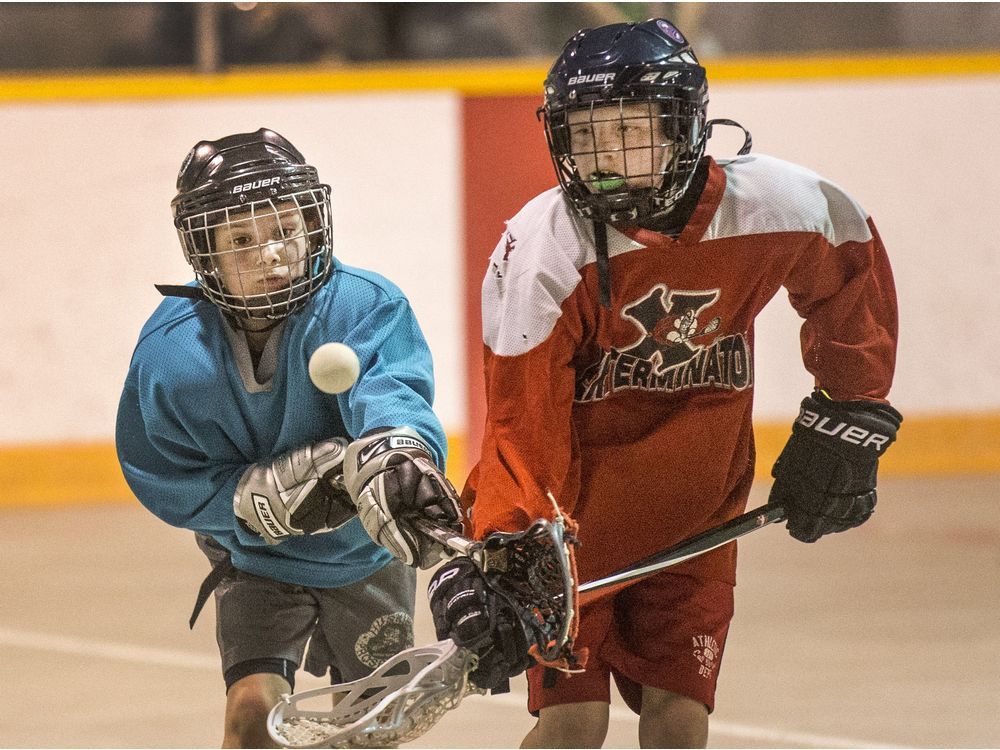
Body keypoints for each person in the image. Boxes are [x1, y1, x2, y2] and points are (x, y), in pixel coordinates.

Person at [422, 19, 903, 749]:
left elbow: (849, 261)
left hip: (696, 515)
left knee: (680, 720)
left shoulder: (775, 205)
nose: (605, 158)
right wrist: (514, 543)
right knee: (572, 729)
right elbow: (522, 422)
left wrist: (850, 412)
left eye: (628, 130)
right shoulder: (545, 248)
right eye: (586, 135)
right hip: (572, 533)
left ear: (684, 128)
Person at [115, 128, 460, 748]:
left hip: (365, 555)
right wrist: (241, 502)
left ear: (313, 225)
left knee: (371, 730)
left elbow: (394, 397)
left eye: (284, 229)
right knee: (252, 716)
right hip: (257, 560)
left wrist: (397, 450)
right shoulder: (171, 352)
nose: (271, 254)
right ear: (204, 251)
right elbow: (159, 469)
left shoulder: (365, 305)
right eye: (241, 241)